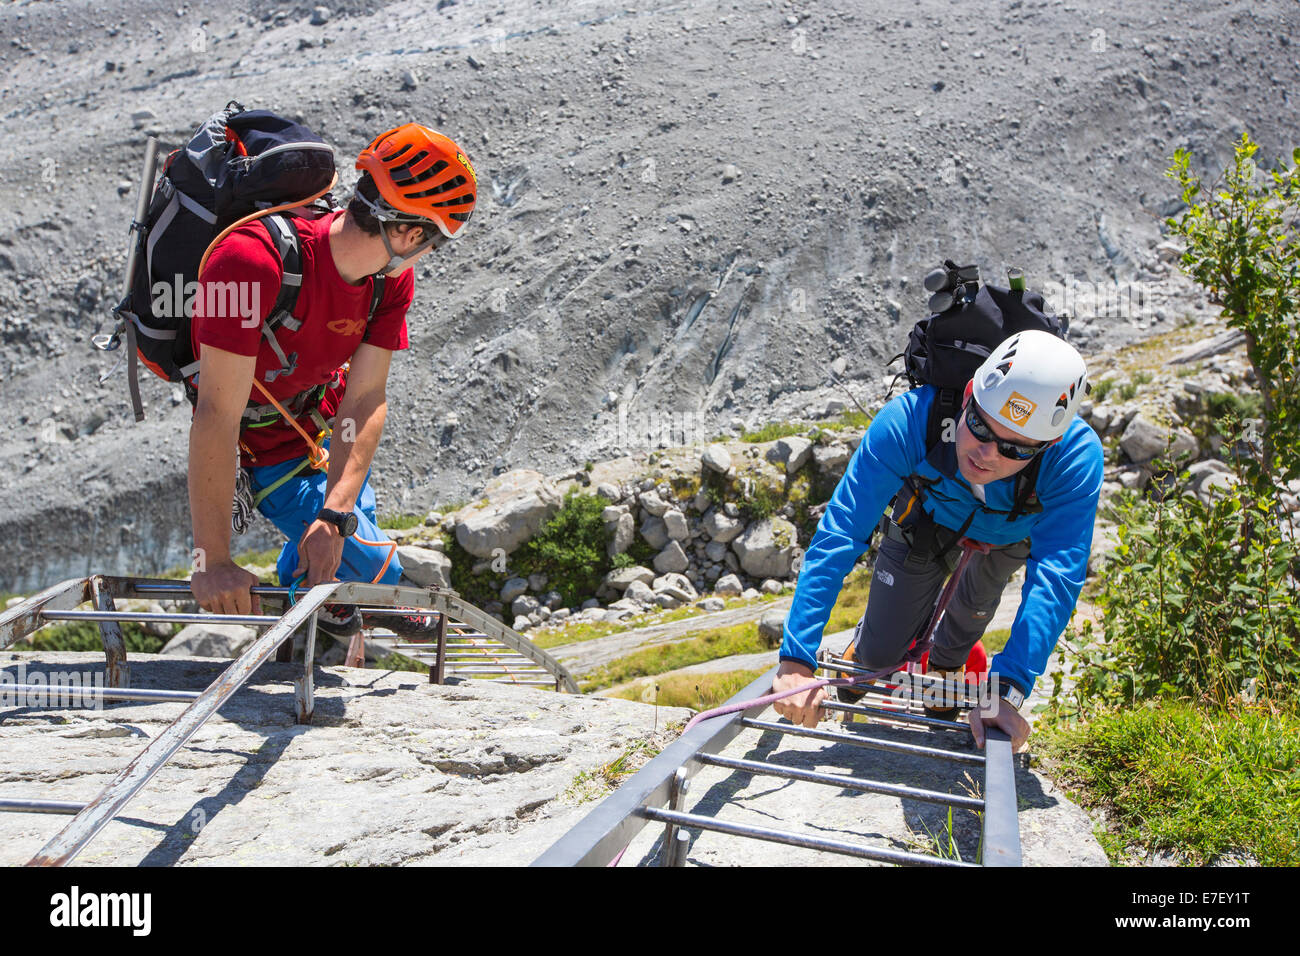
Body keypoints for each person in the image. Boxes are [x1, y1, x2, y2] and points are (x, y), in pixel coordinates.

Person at [186, 124, 477, 640]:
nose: (427, 255)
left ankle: (302, 600)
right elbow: (216, 414)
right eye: (435, 241)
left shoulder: (390, 282)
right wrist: (213, 560)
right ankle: (403, 608)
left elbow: (366, 397)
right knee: (376, 568)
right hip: (267, 448)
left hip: (327, 430)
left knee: (341, 535)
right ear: (410, 234)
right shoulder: (250, 262)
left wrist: (335, 512)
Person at [772, 330, 1103, 750]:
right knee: (879, 656)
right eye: (980, 426)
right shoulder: (910, 421)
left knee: (963, 631)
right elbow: (841, 532)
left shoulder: (1074, 456)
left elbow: (1056, 575)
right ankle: (865, 653)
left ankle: (945, 678)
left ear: (1049, 443)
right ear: (968, 395)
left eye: (1016, 450)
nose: (986, 454)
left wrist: (1008, 690)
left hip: (1007, 535)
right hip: (928, 518)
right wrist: (796, 657)